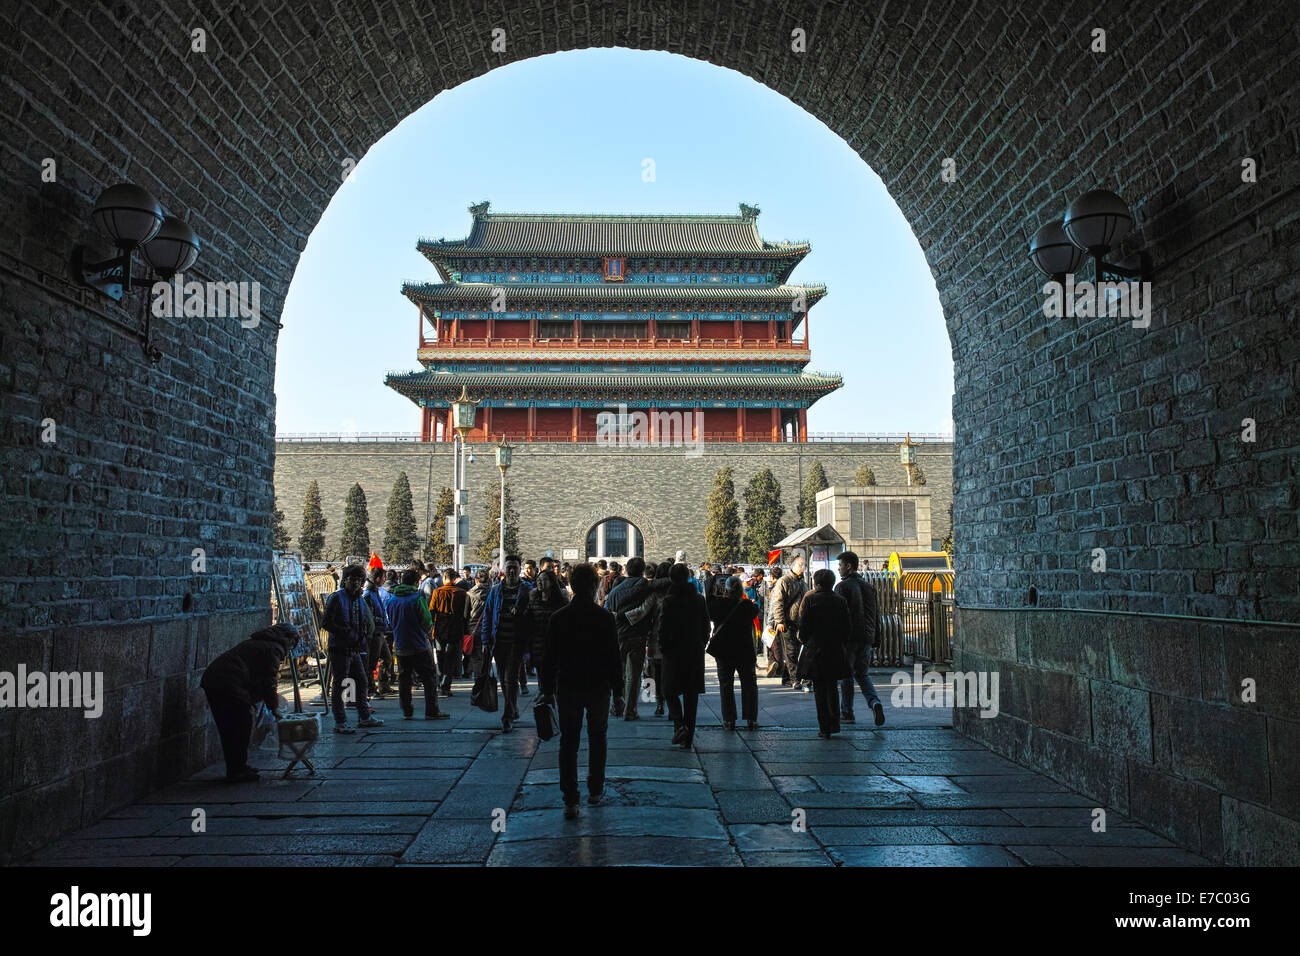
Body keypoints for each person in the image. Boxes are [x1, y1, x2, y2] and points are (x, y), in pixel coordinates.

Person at [539, 563, 621, 820]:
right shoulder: (605, 618)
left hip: (568, 687)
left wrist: (546, 690)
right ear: (595, 586)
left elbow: (548, 658)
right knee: (598, 738)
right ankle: (595, 790)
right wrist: (618, 692)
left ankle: (570, 800)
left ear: (572, 585)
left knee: (569, 742)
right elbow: (614, 658)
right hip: (598, 687)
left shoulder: (559, 618)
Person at [200, 624, 296, 781]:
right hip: (227, 683)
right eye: (292, 643)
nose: (291, 648)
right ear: (289, 639)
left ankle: (238, 766)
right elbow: (269, 681)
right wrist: (274, 707)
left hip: (218, 681)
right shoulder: (274, 648)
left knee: (232, 727)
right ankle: (237, 770)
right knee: (239, 725)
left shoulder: (263, 643)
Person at [320, 565, 384, 734]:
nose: (356, 583)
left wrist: (362, 637)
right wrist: (345, 632)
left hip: (355, 647)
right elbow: (326, 622)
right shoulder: (336, 598)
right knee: (340, 685)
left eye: (359, 580)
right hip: (340, 647)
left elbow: (364, 621)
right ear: (345, 580)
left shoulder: (359, 599)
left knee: (361, 681)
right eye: (352, 579)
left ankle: (364, 717)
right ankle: (340, 722)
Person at [655, 562, 709, 748]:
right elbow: (705, 626)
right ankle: (689, 735)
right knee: (691, 695)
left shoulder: (669, 601)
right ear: (688, 577)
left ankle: (679, 725)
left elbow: (662, 628)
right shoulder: (699, 599)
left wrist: (663, 647)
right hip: (694, 651)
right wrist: (701, 643)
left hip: (673, 652)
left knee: (669, 690)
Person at [385, 568, 450, 719]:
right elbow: (427, 621)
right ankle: (432, 710)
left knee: (404, 679)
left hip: (400, 645)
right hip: (419, 645)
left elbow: (390, 621)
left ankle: (407, 710)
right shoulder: (417, 598)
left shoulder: (391, 600)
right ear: (416, 582)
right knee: (428, 678)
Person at [479, 554, 533, 732]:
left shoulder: (527, 591)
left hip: (516, 642)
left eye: (514, 568)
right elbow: (487, 615)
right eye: (508, 567)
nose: (511, 570)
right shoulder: (495, 590)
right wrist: (486, 640)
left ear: (519, 569)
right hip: (498, 642)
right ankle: (514, 707)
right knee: (504, 678)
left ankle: (507, 716)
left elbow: (532, 616)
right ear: (504, 569)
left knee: (510, 679)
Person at [796, 569, 853, 737]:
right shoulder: (841, 601)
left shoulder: (811, 600)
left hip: (816, 650)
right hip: (835, 649)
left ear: (817, 583)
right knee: (833, 687)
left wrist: (807, 642)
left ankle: (824, 727)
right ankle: (835, 723)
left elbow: (804, 626)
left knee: (820, 689)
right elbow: (847, 627)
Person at [835, 551, 885, 726]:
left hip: (849, 639)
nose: (838, 568)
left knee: (846, 675)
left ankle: (847, 712)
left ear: (849, 566)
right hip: (867, 637)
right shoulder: (868, 587)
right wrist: (876, 637)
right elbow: (876, 615)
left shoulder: (842, 587)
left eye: (840, 565)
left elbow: (840, 616)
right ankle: (875, 703)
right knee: (863, 674)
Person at [707, 577, 761, 730]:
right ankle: (751, 718)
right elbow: (756, 609)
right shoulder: (748, 607)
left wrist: (712, 585)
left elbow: (708, 605)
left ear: (726, 590)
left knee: (726, 684)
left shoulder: (718, 605)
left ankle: (729, 719)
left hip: (724, 650)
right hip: (745, 649)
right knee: (749, 684)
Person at [604, 556, 652, 721]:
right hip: (638, 634)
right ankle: (630, 711)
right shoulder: (645, 586)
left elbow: (609, 610)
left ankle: (617, 705)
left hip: (618, 635)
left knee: (619, 673)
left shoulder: (615, 590)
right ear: (642, 570)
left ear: (626, 570)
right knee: (634, 675)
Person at [526, 567, 569, 700]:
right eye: (538, 580)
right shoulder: (533, 601)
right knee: (541, 671)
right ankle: (543, 691)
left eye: (543, 580)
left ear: (551, 582)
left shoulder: (561, 602)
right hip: (538, 643)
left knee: (554, 673)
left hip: (555, 645)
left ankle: (552, 694)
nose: (540, 583)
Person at [430, 567, 470, 697]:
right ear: (454, 579)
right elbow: (466, 615)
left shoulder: (437, 592)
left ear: (445, 578)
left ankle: (441, 682)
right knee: (451, 659)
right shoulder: (462, 593)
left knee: (440, 657)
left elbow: (431, 611)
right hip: (456, 630)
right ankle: (445, 685)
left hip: (440, 630)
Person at [771, 555, 809, 690]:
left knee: (795, 651)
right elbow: (777, 602)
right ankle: (795, 679)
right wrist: (780, 621)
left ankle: (786, 678)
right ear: (792, 566)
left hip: (799, 622)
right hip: (787, 622)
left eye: (804, 564)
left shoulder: (803, 583)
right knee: (791, 651)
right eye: (800, 564)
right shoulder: (784, 581)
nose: (802, 567)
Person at [363, 566, 394, 698]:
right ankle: (370, 689)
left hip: (381, 631)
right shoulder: (368, 594)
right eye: (383, 577)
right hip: (374, 633)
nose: (384, 580)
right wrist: (381, 621)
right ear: (377, 579)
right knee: (371, 663)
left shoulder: (376, 591)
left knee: (387, 659)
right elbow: (368, 616)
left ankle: (383, 685)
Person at [464, 568, 491, 679]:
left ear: (476, 580)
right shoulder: (493, 592)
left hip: (474, 629)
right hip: (489, 628)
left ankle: (478, 681)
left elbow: (466, 614)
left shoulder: (469, 593)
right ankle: (486, 679)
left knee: (476, 658)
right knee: (487, 656)